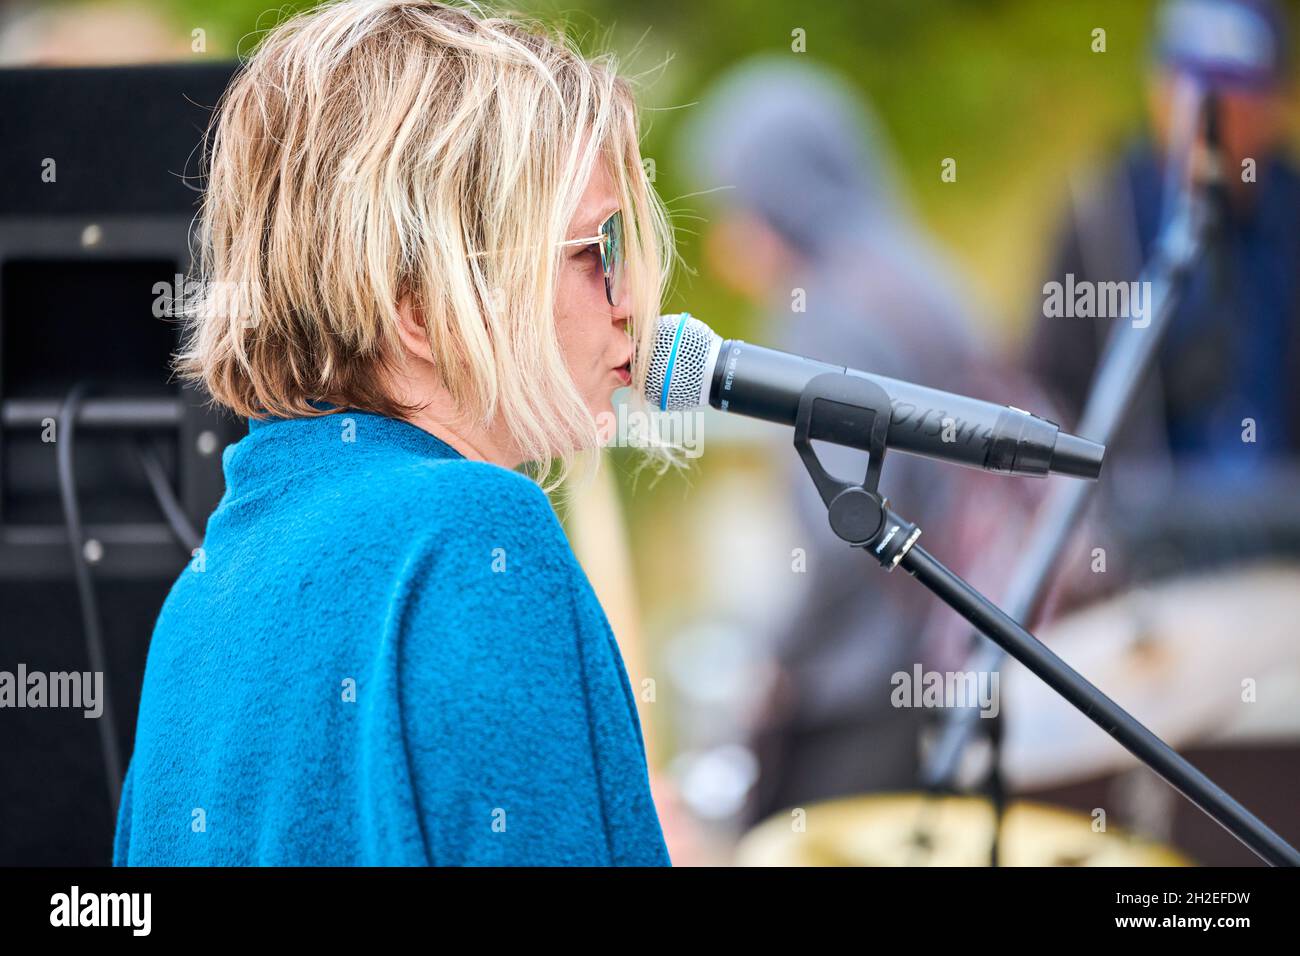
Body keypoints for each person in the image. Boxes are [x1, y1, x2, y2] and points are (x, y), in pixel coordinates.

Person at [113, 0, 676, 866]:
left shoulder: (200, 598)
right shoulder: (472, 531)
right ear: (420, 303)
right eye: (594, 247)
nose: (630, 298)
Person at [676, 57, 1047, 826]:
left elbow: (841, 529)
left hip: (877, 680)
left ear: (783, 194)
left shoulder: (826, 314)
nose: (730, 241)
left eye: (739, 207)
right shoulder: (910, 270)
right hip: (967, 639)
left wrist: (774, 659)